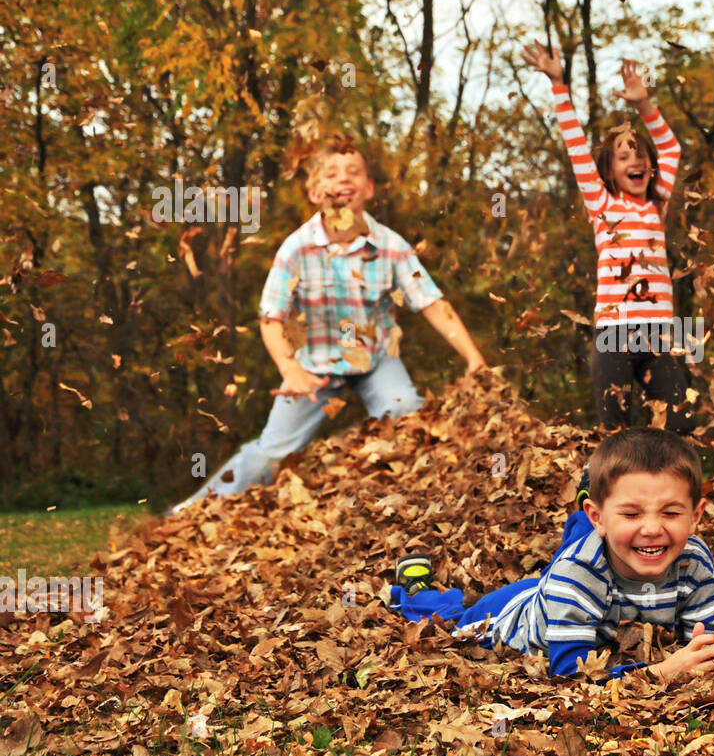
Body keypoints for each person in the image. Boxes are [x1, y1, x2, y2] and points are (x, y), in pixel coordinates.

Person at [167, 136, 486, 516]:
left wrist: (475, 359)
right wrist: (290, 369)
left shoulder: (391, 246)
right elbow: (271, 318)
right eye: (331, 173)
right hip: (313, 365)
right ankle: (190, 512)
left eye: (354, 172)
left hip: (376, 359)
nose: (343, 179)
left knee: (408, 422)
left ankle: (417, 511)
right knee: (272, 453)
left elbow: (432, 303)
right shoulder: (296, 249)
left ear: (368, 188)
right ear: (316, 192)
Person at [388, 427, 714, 680]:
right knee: (455, 619)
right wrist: (662, 671)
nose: (652, 528)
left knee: (588, 562)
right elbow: (570, 671)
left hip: (579, 577)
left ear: (696, 516)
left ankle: (593, 523)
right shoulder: (577, 574)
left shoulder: (695, 560)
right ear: (597, 515)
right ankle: (418, 594)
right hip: (515, 616)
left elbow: (710, 645)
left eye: (671, 513)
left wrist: (709, 655)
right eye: (632, 513)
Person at [521, 42, 695, 435]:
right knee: (614, 430)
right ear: (610, 171)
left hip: (660, 336)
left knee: (680, 423)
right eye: (623, 155)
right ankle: (607, 493)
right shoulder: (602, 205)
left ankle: (672, 494)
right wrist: (558, 84)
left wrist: (644, 105)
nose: (635, 160)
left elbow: (671, 147)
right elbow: (575, 146)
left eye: (639, 153)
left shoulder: (657, 205)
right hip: (613, 334)